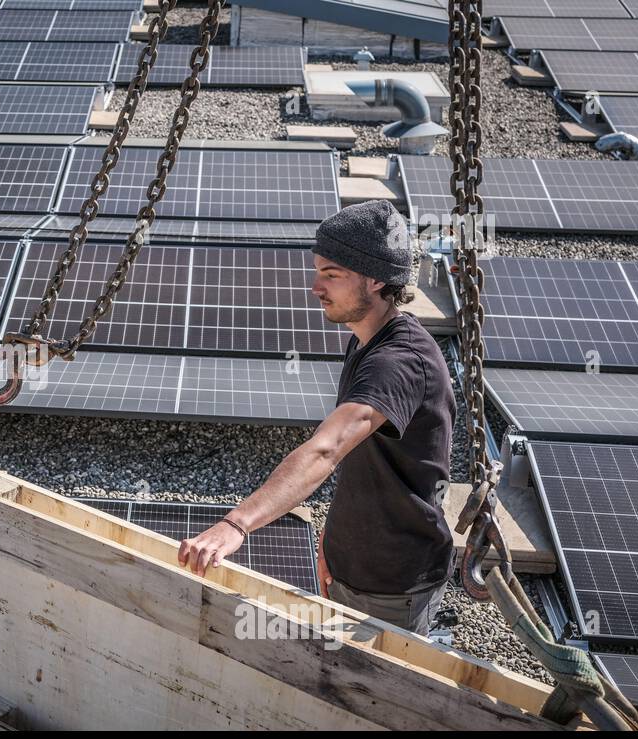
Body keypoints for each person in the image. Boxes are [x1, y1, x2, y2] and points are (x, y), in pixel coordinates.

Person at [176, 200, 457, 635]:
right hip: (352, 563)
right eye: (318, 272)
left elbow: (326, 450)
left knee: (371, 694)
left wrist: (236, 524)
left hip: (392, 584)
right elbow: (363, 462)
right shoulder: (367, 338)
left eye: (332, 274)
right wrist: (332, 540)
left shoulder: (398, 362)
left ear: (376, 277)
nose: (316, 287)